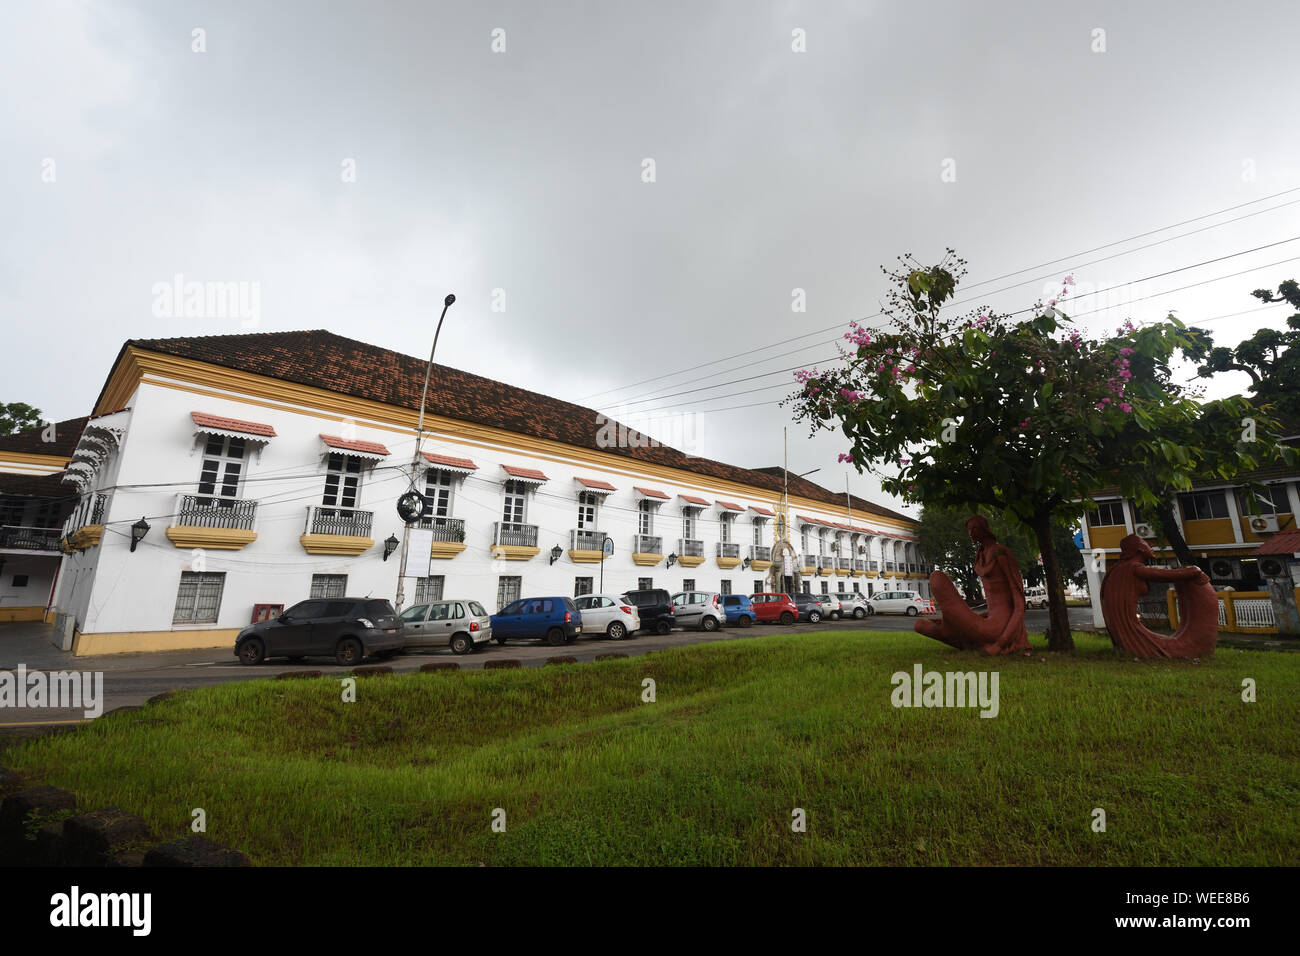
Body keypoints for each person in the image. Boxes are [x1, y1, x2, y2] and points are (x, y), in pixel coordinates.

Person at [915, 515, 1030, 655]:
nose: (971, 533)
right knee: (920, 625)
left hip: (999, 627)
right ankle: (962, 634)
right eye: (969, 530)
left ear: (984, 529)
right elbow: (994, 606)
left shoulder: (1000, 553)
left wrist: (999, 645)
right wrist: (974, 616)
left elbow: (1019, 606)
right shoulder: (980, 554)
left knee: (937, 578)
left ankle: (970, 634)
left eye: (974, 529)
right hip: (990, 619)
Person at [1100, 534, 1217, 658]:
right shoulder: (1134, 568)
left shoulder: (1118, 568)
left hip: (1121, 627)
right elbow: (1165, 575)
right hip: (1130, 629)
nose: (1151, 546)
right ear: (1139, 548)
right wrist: (1194, 570)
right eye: (1146, 543)